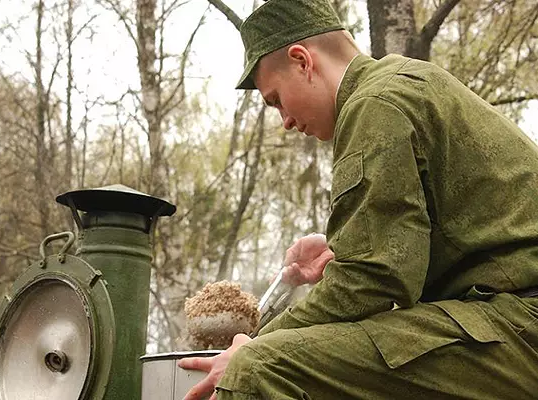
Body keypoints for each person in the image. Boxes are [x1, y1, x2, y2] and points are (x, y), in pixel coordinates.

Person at [179, 0, 538, 398]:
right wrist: (342, 246)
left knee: (257, 369)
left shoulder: (375, 103)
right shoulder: (405, 82)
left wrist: (255, 342)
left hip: (518, 326)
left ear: (302, 61)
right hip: (509, 321)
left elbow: (374, 281)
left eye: (276, 99)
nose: (285, 121)